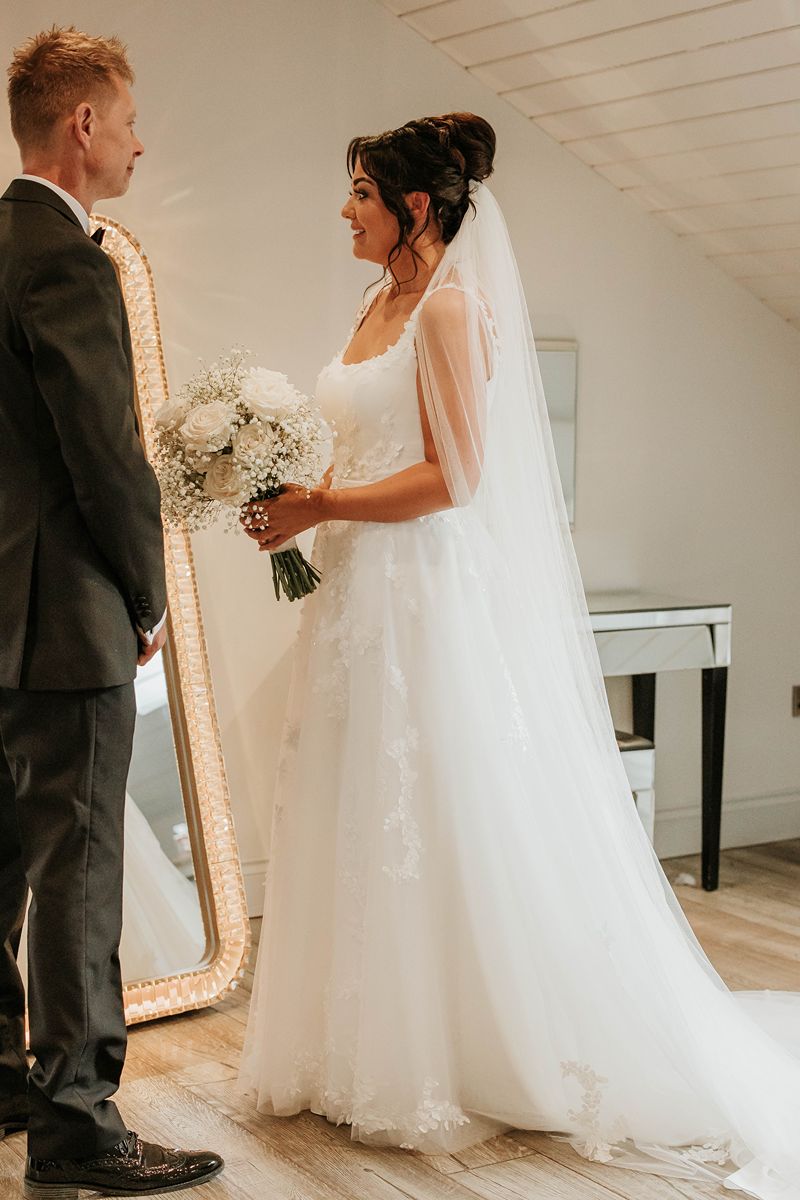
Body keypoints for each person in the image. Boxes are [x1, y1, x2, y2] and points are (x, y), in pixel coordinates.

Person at [239, 113, 800, 1199]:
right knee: (352, 805)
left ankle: (454, 1050)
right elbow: (360, 438)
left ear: (413, 208)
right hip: (354, 592)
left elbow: (455, 478)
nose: (343, 210)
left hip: (418, 600)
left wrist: (318, 504)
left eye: (359, 193)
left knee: (431, 809)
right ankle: (346, 1046)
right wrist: (284, 486)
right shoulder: (374, 303)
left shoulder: (449, 306)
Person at [0, 27, 222, 1196]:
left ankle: (5, 1079)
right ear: (81, 126)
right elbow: (105, 454)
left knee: (0, 867)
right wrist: (147, 591)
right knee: (77, 874)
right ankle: (77, 1131)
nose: (140, 141)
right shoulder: (66, 257)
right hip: (63, 619)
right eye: (128, 119)